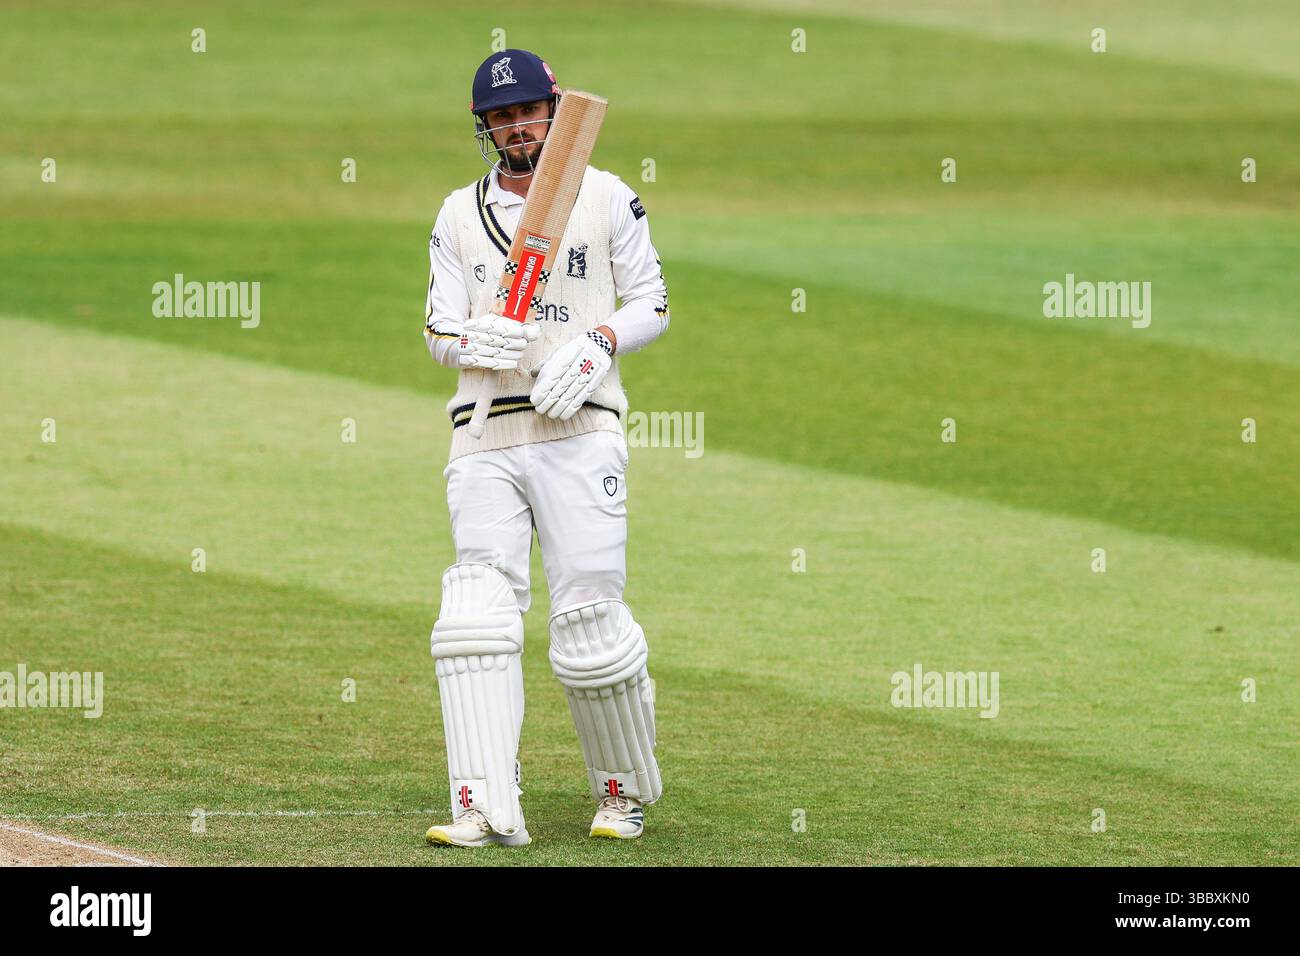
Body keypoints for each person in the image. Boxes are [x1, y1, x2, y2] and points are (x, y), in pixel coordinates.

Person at [421, 49, 669, 847]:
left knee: (589, 618)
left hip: (579, 427)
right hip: (486, 432)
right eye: (498, 117)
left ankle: (620, 792)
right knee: (476, 614)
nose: (512, 127)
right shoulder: (459, 214)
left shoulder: (607, 195)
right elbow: (435, 329)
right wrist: (471, 338)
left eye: (524, 112)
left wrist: (599, 341)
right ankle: (484, 802)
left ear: (553, 112)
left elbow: (653, 300)